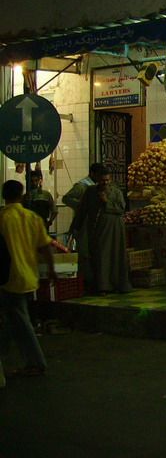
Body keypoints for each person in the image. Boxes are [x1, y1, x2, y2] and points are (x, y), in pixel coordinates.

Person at [0, 179, 55, 381]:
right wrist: (51, 270)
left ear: (4, 196)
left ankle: (36, 362)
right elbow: (45, 247)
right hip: (29, 275)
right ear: (22, 195)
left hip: (9, 277)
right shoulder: (32, 217)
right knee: (12, 319)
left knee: (19, 321)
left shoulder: (2, 218)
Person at [70, 167, 131, 294]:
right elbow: (82, 210)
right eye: (102, 180)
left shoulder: (116, 192)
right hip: (97, 229)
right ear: (97, 179)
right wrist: (75, 227)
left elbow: (121, 209)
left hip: (114, 228)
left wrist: (106, 202)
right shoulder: (90, 192)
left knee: (114, 255)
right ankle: (101, 285)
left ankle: (115, 284)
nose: (105, 183)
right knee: (99, 255)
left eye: (107, 180)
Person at [63, 162, 105, 290]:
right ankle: (85, 280)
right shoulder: (82, 186)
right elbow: (66, 198)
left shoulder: (100, 186)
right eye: (98, 175)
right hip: (84, 224)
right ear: (92, 174)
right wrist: (82, 205)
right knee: (84, 252)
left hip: (97, 224)